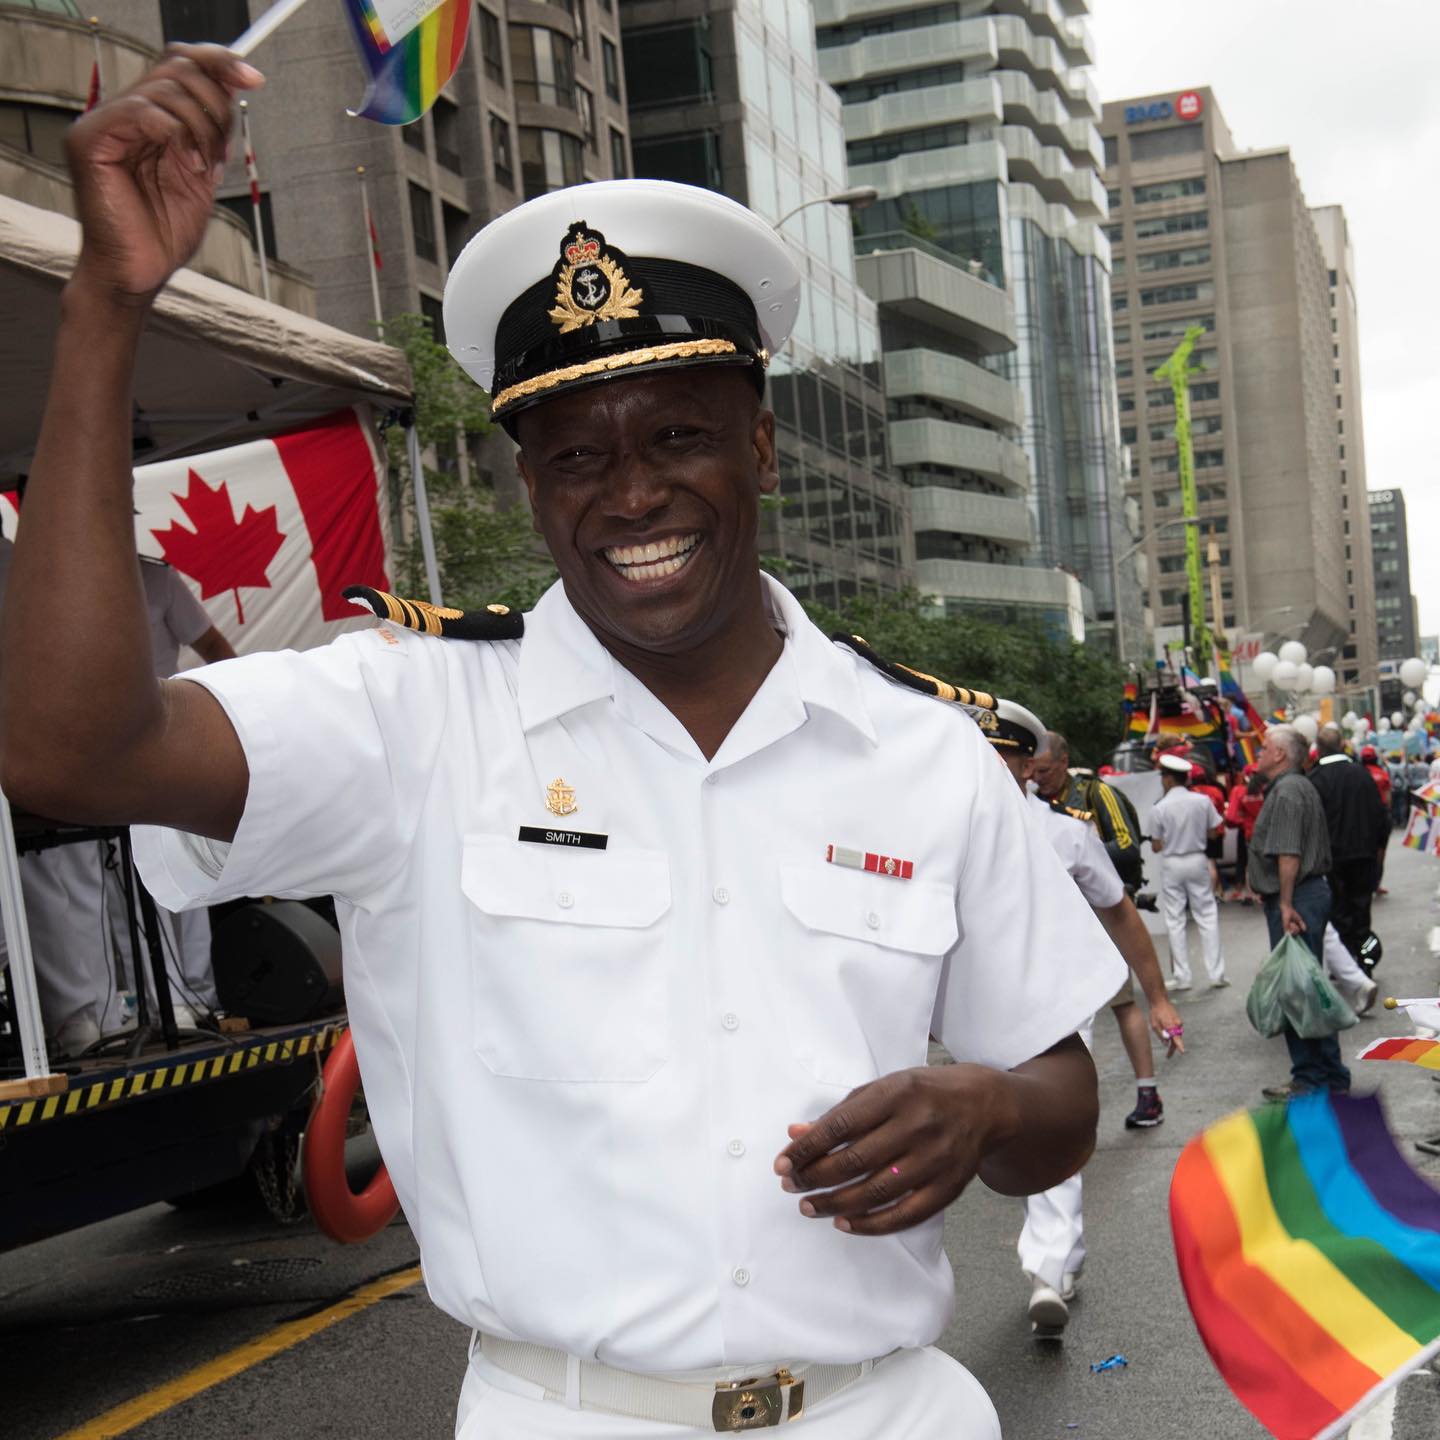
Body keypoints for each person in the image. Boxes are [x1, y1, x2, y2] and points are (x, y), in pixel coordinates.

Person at [0, 49, 1127, 1439]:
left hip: (886, 1411)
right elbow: (68, 754)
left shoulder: (924, 751)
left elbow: (1061, 1097)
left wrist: (982, 1109)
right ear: (530, 483)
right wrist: (110, 303)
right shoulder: (406, 720)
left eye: (676, 434)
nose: (634, 491)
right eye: (578, 457)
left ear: (761, 449)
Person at [976, 699, 1183, 1337]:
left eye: (1006, 756)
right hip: (978, 1006)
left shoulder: (1067, 833)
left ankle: (1049, 1268)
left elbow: (1120, 913)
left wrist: (1158, 997)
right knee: (978, 1136)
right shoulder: (944, 828)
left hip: (1057, 1002)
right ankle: (1058, 1257)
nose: (993, 766)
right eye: (981, 753)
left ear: (1029, 765)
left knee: (1049, 1129)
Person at [1248, 725, 1349, 1100]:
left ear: (1280, 755)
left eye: (1264, 748)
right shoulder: (1291, 787)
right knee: (1305, 987)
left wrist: (1286, 902)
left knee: (1300, 989)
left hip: (1298, 898)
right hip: (1300, 895)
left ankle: (1314, 1076)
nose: (1257, 754)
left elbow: (1288, 853)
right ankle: (1324, 1074)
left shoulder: (1289, 790)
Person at [1307, 723, 1389, 976]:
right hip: (1363, 856)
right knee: (1361, 911)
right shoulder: (1362, 774)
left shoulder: (1315, 780)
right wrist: (1379, 848)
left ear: (1318, 749)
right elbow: (1380, 816)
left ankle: (1346, 965)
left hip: (1332, 859)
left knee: (1338, 912)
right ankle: (1364, 962)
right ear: (1342, 745)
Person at [1148, 754, 1226, 989]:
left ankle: (1183, 976)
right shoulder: (1202, 802)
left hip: (1173, 862)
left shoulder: (1159, 807)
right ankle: (1216, 974)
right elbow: (1214, 832)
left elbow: (1156, 845)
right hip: (1197, 859)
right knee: (1207, 915)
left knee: (1175, 919)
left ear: (1170, 779)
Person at [1032, 732, 1144, 894]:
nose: (1036, 778)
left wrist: (1080, 853)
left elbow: (1127, 845)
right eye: (1033, 771)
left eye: (1043, 771)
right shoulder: (1032, 802)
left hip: (1104, 900)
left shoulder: (1097, 792)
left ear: (1064, 762)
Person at [1225, 763, 1265, 904]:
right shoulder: (1268, 789)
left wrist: (1243, 821)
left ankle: (1250, 894)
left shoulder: (1239, 791)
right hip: (1268, 833)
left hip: (1249, 833)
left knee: (1250, 864)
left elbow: (1231, 817)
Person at [1359, 743, 1392, 896]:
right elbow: (1388, 799)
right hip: (1381, 816)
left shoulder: (1358, 774)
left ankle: (1365, 884)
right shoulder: (1383, 774)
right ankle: (1376, 884)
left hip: (1363, 817)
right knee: (1380, 852)